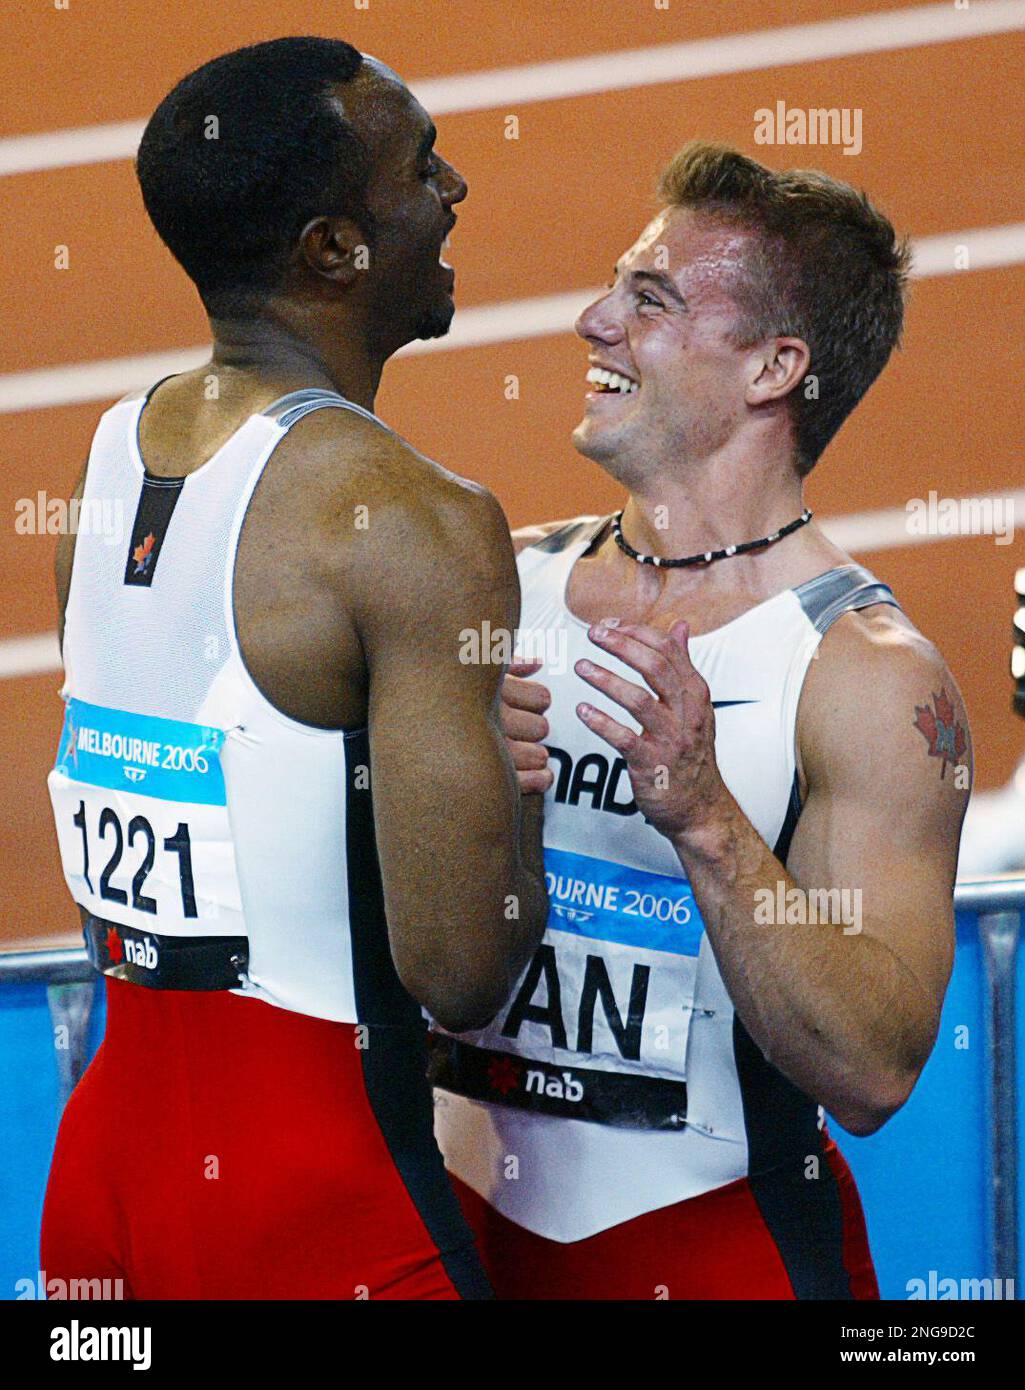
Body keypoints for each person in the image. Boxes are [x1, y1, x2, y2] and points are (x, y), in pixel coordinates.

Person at [42, 36, 547, 1300]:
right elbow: (461, 967)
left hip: (97, 1198)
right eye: (422, 166)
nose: (456, 193)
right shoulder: (415, 519)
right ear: (334, 248)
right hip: (322, 1222)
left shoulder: (110, 463)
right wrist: (519, 787)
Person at [430, 143, 972, 1299]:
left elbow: (873, 1072)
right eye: (615, 285)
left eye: (650, 299)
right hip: (460, 1239)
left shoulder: (865, 676)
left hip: (713, 1253)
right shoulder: (500, 585)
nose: (592, 321)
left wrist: (707, 819)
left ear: (774, 366)